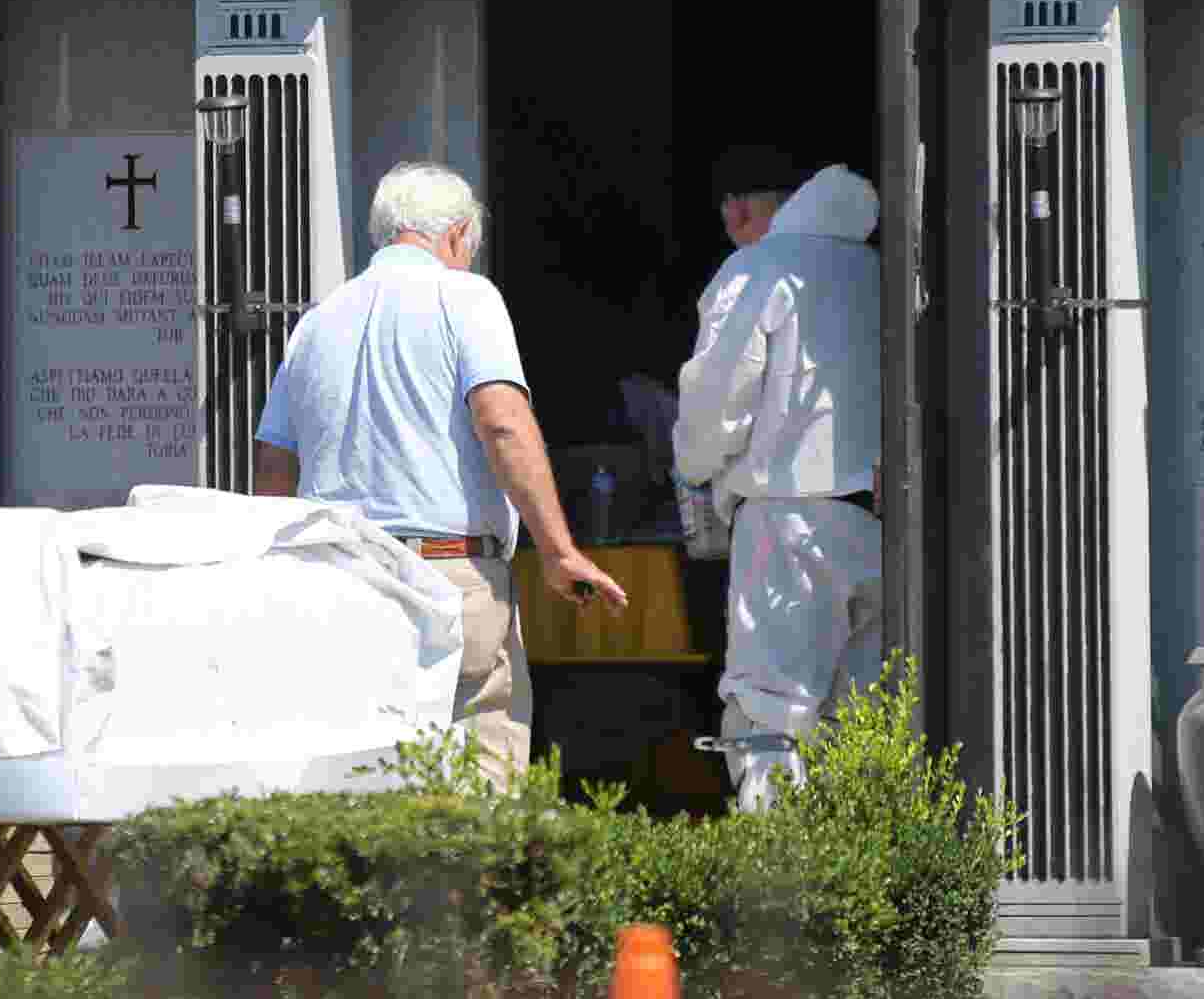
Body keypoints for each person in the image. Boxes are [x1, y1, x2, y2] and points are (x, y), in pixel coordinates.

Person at [253, 161, 628, 786]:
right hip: (446, 579)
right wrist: (558, 551)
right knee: (478, 788)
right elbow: (503, 423)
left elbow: (273, 464)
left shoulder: (315, 322)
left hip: (338, 579)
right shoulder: (466, 296)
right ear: (455, 234)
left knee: (362, 784)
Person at [673, 161, 883, 811]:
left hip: (787, 522)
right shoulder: (882, 270)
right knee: (866, 724)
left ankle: (779, 873)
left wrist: (694, 466)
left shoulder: (758, 270)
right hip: (884, 524)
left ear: (747, 208)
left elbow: (715, 404)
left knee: (770, 719)